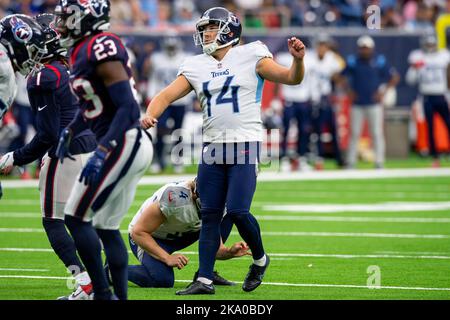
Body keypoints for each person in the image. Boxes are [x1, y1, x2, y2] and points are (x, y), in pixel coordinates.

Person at [142, 7, 305, 295]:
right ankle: (203, 279)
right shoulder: (196, 65)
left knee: (240, 211)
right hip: (212, 148)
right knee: (210, 217)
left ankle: (260, 259)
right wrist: (150, 114)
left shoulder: (252, 54)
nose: (205, 33)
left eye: (211, 28)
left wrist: (298, 61)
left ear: (229, 30)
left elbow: (291, 78)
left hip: (244, 143)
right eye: (204, 28)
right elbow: (165, 95)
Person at [54, 0, 153, 300]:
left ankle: (102, 293)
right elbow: (93, 106)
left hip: (123, 139)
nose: (61, 23)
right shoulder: (82, 49)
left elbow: (128, 107)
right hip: (123, 139)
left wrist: (102, 148)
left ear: (88, 19)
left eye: (68, 18)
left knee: (75, 217)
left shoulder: (101, 44)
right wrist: (71, 131)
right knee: (106, 227)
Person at [0, 13, 97, 300]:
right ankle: (99, 281)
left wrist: (15, 158)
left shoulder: (42, 76)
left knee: (53, 220)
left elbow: (47, 135)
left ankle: (84, 280)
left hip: (66, 152)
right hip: (90, 147)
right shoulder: (70, 69)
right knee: (82, 220)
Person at [123, 178, 250, 288]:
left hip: (181, 234)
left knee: (232, 215)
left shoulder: (224, 204)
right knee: (162, 280)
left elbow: (215, 250)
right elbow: (139, 232)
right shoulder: (176, 198)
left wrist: (229, 252)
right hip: (150, 236)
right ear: (195, 195)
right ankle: (113, 270)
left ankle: (205, 273)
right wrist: (167, 258)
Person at [342, 35, 400, 169]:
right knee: (354, 133)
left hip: (374, 104)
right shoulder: (353, 61)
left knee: (376, 133)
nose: (364, 50)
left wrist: (383, 91)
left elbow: (394, 76)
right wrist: (348, 91)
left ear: (371, 48)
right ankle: (351, 162)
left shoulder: (379, 61)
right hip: (357, 103)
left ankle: (379, 161)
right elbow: (340, 76)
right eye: (362, 48)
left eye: (366, 48)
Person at [146, 36, 192, 173]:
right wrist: (150, 94)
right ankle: (159, 160)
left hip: (180, 100)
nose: (171, 50)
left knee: (178, 131)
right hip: (163, 100)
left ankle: (178, 160)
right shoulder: (156, 59)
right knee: (160, 130)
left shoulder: (185, 58)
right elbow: (153, 78)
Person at [406, 34, 450, 167]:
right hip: (426, 97)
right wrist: (414, 68)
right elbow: (410, 80)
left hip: (441, 95)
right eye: (428, 44)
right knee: (429, 127)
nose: (430, 47)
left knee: (448, 124)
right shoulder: (418, 57)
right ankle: (434, 156)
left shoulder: (444, 56)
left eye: (432, 44)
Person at [308, 33, 345, 170]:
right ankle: (319, 158)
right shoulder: (309, 58)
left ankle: (339, 158)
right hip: (313, 99)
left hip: (326, 97)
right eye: (320, 45)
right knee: (316, 131)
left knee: (333, 129)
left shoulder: (332, 58)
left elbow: (341, 68)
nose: (322, 48)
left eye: (324, 45)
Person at [274, 45, 314, 172]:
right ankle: (285, 158)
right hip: (289, 99)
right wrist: (276, 98)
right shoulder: (283, 58)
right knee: (285, 130)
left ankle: (301, 158)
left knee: (304, 130)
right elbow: (277, 78)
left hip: (303, 99)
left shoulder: (310, 59)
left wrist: (312, 96)